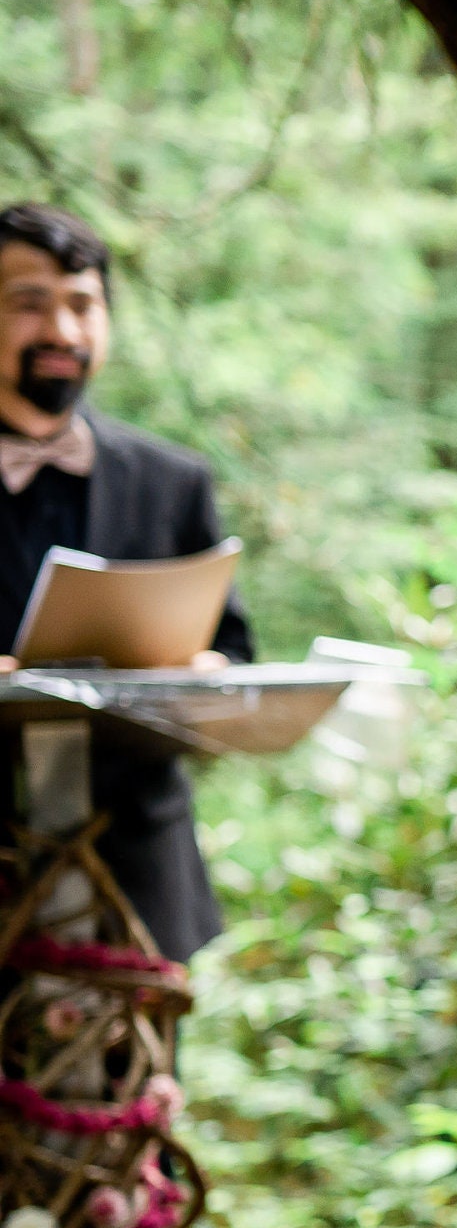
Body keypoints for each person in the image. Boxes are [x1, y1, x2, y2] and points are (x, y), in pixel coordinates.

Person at [0, 203, 253, 962]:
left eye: (83, 304)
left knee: (141, 1085)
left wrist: (204, 672)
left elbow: (233, 654)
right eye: (29, 305)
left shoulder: (172, 480)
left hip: (139, 876)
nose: (64, 333)